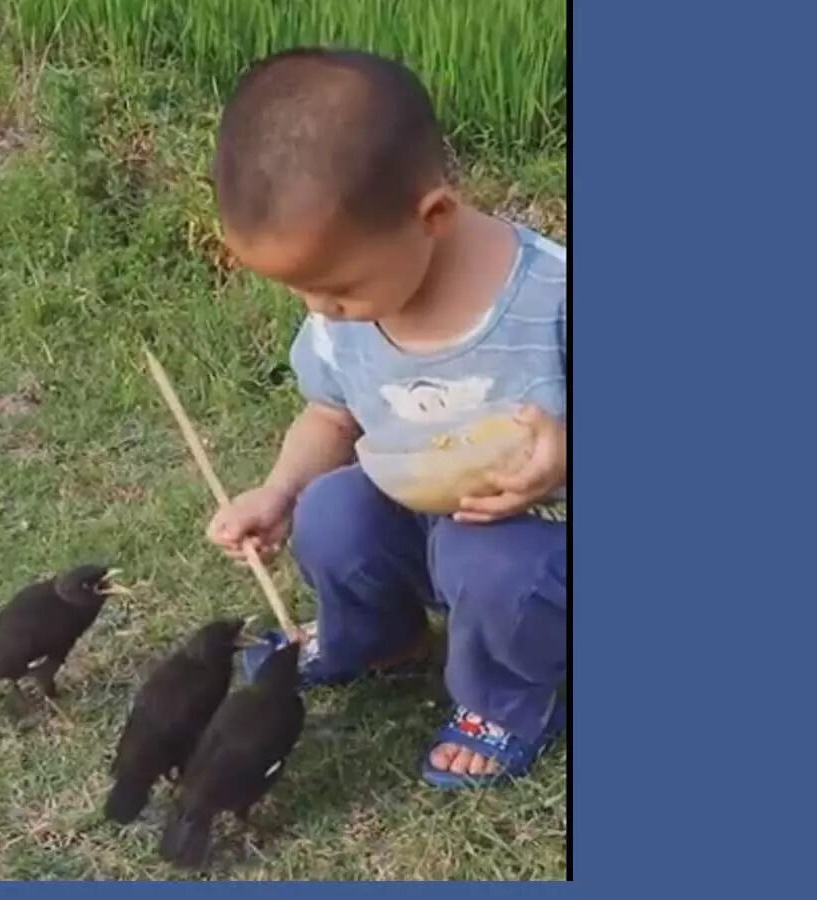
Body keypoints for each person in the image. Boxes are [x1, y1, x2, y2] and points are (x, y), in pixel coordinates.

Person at [202, 48, 567, 789]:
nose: (317, 309)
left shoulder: (555, 301)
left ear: (431, 215)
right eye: (300, 290)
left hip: (544, 554)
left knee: (489, 560)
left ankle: (510, 696)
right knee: (331, 505)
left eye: (335, 289)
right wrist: (278, 491)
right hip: (431, 521)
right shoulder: (347, 317)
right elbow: (330, 416)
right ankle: (376, 638)